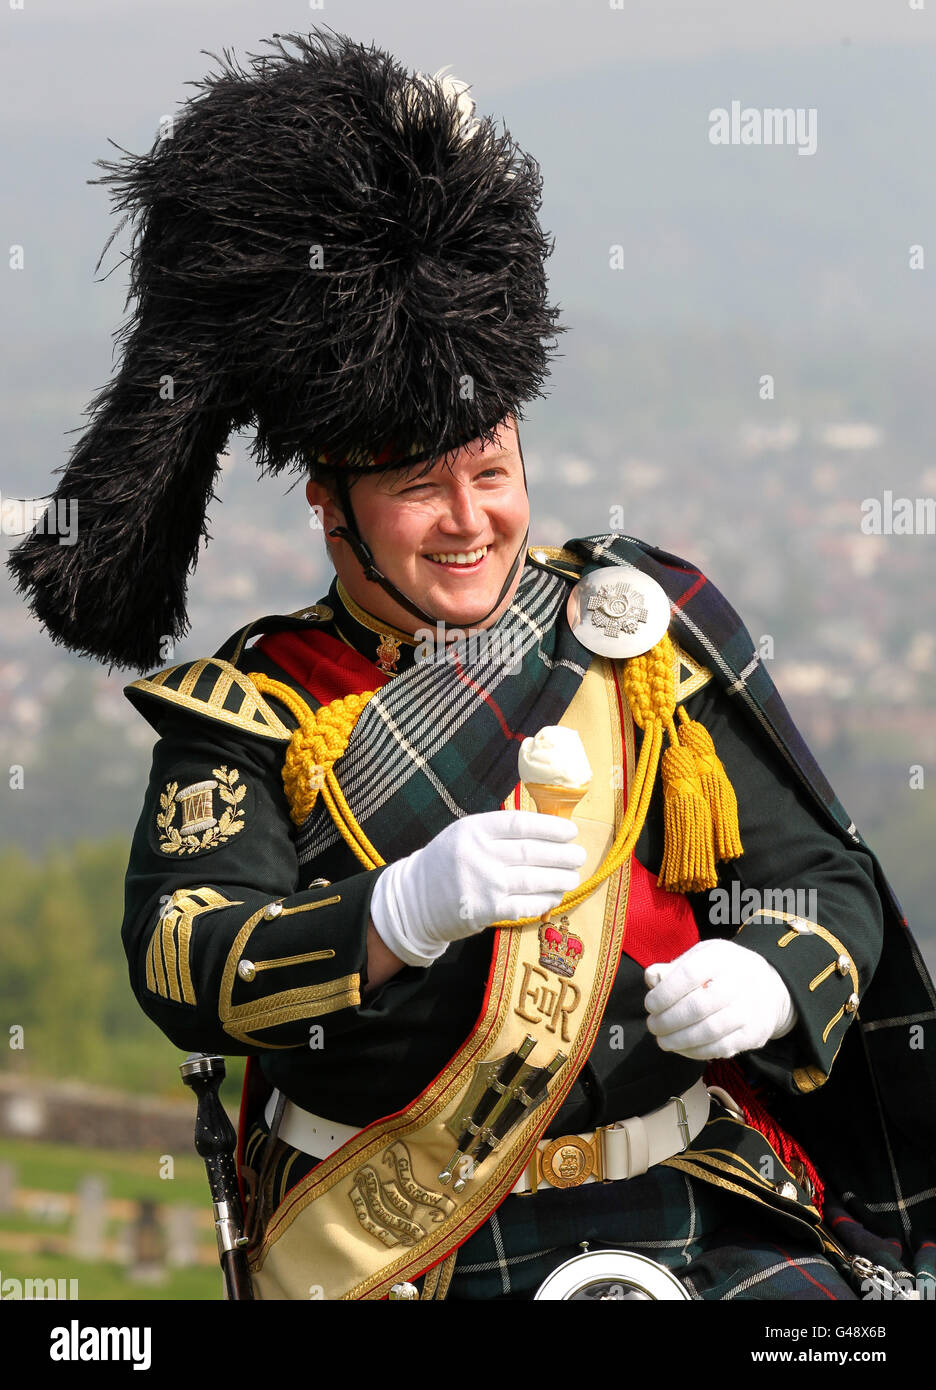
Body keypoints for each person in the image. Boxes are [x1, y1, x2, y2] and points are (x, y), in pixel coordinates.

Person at [7, 29, 934, 1303]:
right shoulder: (255, 706)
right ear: (334, 511)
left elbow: (826, 879)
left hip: (691, 1203)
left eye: (491, 473)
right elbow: (183, 955)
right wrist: (392, 918)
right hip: (398, 1240)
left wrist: (774, 974)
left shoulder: (636, 625)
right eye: (417, 487)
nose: (470, 519)